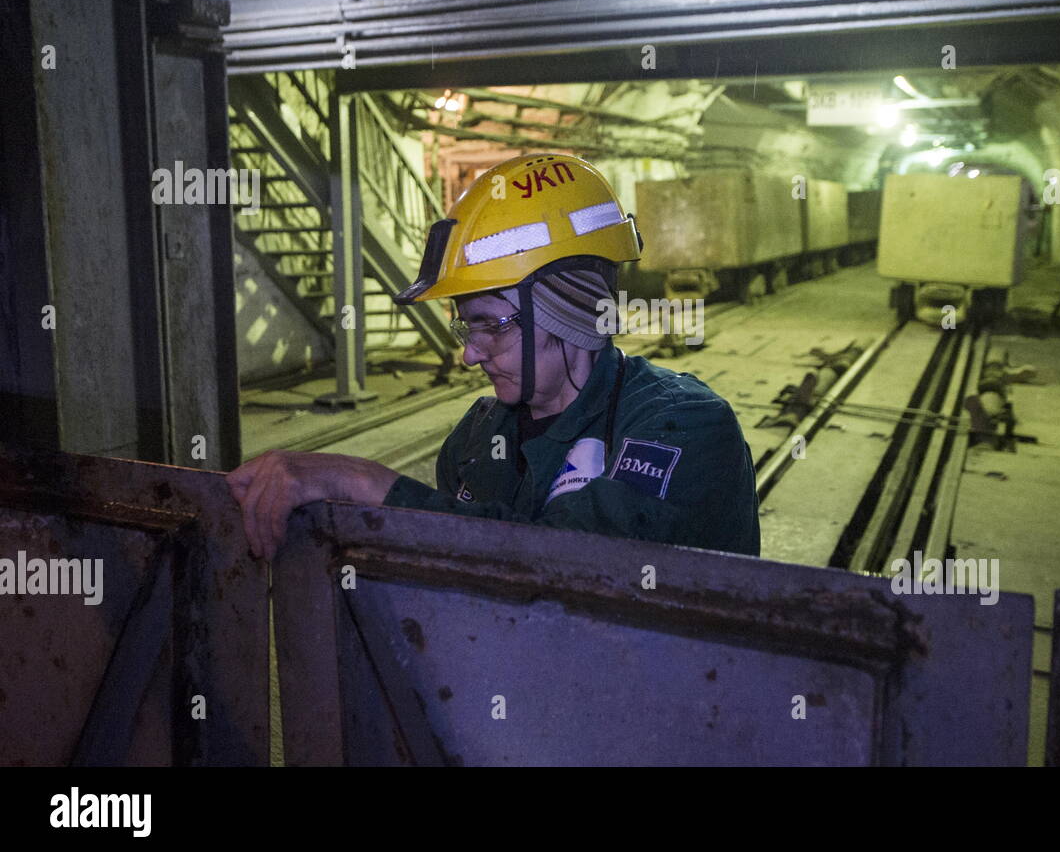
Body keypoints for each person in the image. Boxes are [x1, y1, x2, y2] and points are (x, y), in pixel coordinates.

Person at [228, 153, 761, 561]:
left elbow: (572, 567)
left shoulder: (683, 425)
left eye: (489, 324)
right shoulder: (476, 440)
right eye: (465, 324)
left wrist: (362, 482)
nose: (468, 353)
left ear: (567, 310)